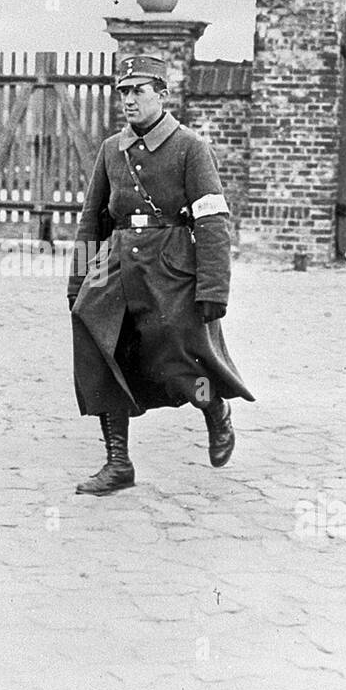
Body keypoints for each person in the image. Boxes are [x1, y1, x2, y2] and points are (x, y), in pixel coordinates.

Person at [67, 54, 254, 496]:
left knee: (180, 352)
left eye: (138, 91)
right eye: (123, 92)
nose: (129, 100)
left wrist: (213, 286)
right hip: (115, 264)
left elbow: (211, 219)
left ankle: (215, 412)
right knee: (98, 342)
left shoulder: (191, 147)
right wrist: (78, 280)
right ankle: (118, 463)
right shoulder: (112, 149)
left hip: (170, 265)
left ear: (162, 95)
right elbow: (92, 219)